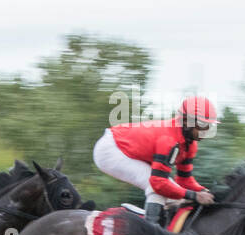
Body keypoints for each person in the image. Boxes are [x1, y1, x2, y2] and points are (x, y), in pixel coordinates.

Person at [93, 96, 219, 227]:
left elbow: (184, 181)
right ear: (187, 122)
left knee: (173, 192)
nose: (206, 131)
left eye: (209, 125)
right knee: (157, 189)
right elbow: (158, 183)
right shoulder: (169, 140)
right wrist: (195, 196)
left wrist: (205, 191)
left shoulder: (190, 144)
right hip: (110, 150)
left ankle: (160, 223)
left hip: (127, 148)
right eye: (203, 125)